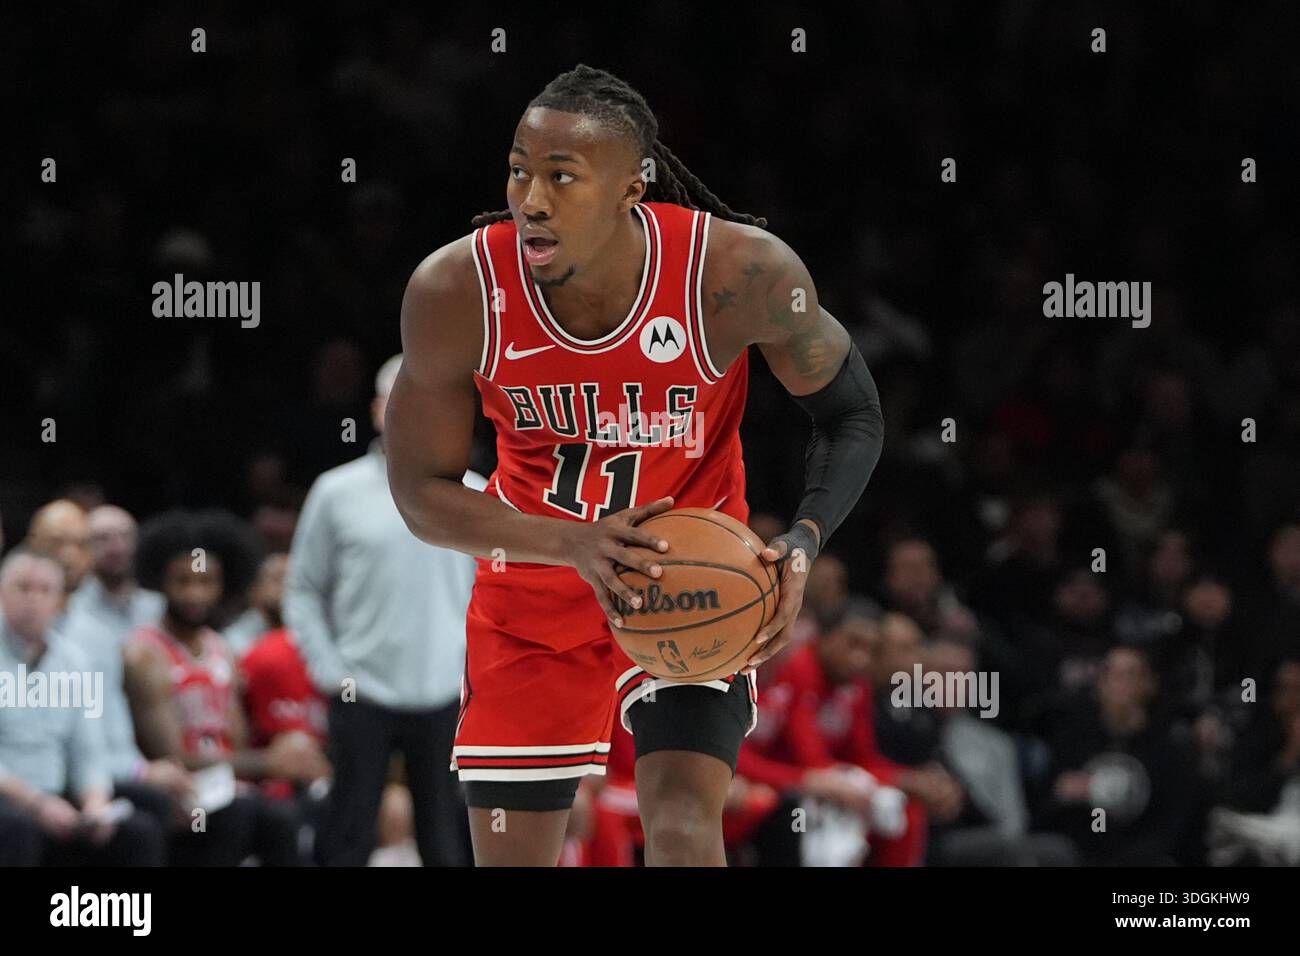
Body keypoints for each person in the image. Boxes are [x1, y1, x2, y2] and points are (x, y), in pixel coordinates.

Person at [385, 64, 884, 866]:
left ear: (632, 188)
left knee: (683, 827)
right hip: (535, 591)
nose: (531, 199)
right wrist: (573, 543)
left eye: (561, 176)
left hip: (685, 578)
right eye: (518, 170)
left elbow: (851, 413)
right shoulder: (456, 290)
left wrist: (803, 542)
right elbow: (418, 493)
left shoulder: (736, 275)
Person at [286, 355, 482, 866]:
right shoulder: (336, 492)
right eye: (400, 401)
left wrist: (477, 675)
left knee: (447, 841)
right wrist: (330, 670)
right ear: (378, 410)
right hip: (360, 688)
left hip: (449, 694)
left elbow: (500, 600)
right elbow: (303, 589)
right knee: (346, 833)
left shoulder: (478, 495)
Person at [124, 509, 328, 865]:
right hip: (178, 788)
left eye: (206, 582)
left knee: (284, 819)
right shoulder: (146, 653)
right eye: (183, 581)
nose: (195, 594)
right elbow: (173, 756)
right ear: (160, 581)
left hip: (229, 786)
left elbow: (237, 739)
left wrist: (288, 752)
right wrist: (270, 761)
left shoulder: (224, 651)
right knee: (240, 814)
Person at [0, 547, 164, 866]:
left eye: (44, 590)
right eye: (22, 587)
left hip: (58, 793)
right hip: (11, 797)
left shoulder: (74, 662)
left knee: (138, 830)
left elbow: (88, 750)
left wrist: (96, 804)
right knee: (19, 829)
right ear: (2, 595)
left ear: (60, 604)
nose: (32, 599)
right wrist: (36, 803)